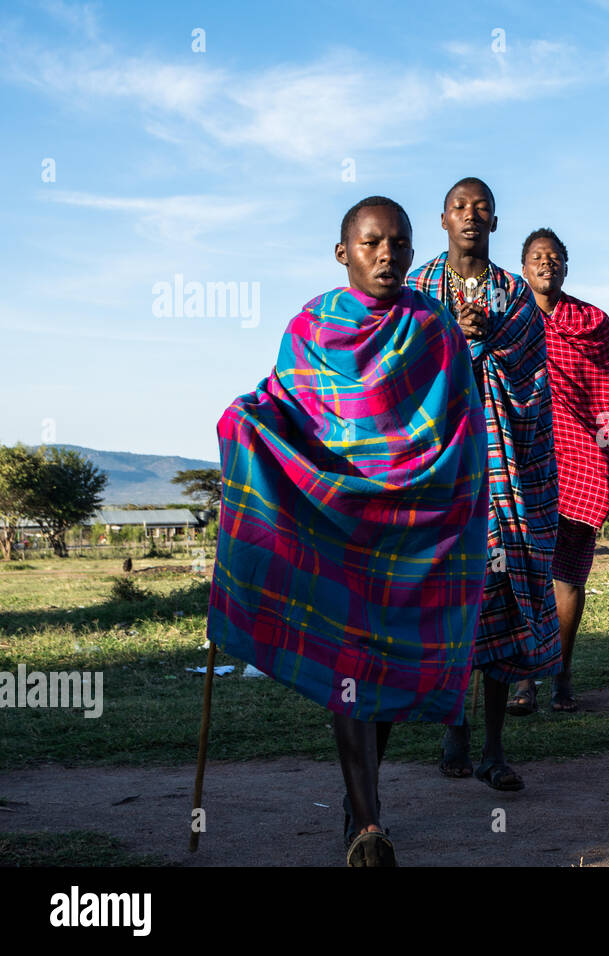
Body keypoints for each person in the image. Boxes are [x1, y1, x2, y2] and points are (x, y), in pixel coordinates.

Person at [207, 196, 488, 866]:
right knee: (349, 668)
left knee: (382, 669)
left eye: (399, 243)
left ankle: (362, 800)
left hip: (413, 533)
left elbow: (464, 429)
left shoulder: (435, 330)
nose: (387, 254)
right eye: (371, 243)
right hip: (334, 526)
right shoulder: (311, 327)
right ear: (343, 253)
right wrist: (243, 421)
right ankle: (366, 820)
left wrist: (454, 505)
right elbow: (283, 403)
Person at [407, 178, 560, 791]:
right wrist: (451, 333)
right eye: (460, 207)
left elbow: (529, 374)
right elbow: (399, 369)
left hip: (500, 475)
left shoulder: (514, 294)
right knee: (445, 605)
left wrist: (489, 336)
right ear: (443, 218)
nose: (471, 216)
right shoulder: (417, 289)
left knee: (496, 596)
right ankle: (453, 727)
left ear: (495, 221)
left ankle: (494, 747)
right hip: (436, 474)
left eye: (482, 208)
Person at [507, 227, 609, 713]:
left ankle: (562, 672)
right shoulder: (508, 318)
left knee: (568, 573)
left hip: (584, 456)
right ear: (523, 267)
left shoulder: (593, 321)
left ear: (567, 267)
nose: (546, 263)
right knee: (526, 569)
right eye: (537, 257)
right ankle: (524, 679)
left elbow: (608, 395)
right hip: (524, 449)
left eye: (554, 257)